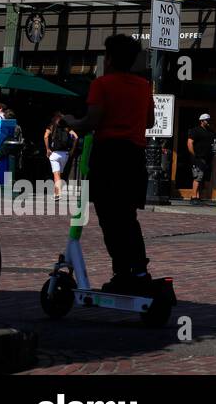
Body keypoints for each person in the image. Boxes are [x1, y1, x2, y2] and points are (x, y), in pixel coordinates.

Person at [62, 34, 156, 294]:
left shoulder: (102, 84)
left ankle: (122, 272)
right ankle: (138, 270)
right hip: (135, 156)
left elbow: (92, 120)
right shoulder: (143, 86)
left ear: (111, 59)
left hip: (109, 154)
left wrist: (71, 121)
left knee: (109, 218)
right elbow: (149, 122)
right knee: (128, 218)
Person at [185, 113, 216, 205]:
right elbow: (189, 143)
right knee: (197, 177)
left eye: (209, 120)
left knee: (203, 178)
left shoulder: (210, 132)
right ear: (201, 121)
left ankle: (198, 197)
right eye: (207, 120)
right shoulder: (195, 131)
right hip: (198, 158)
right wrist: (194, 155)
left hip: (207, 158)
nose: (208, 122)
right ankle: (193, 196)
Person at [43, 112, 75, 198]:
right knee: (59, 174)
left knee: (56, 174)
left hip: (54, 154)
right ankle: (56, 192)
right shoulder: (67, 128)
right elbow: (76, 137)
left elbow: (45, 136)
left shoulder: (51, 126)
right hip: (65, 154)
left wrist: (47, 149)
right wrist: (72, 150)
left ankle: (58, 193)